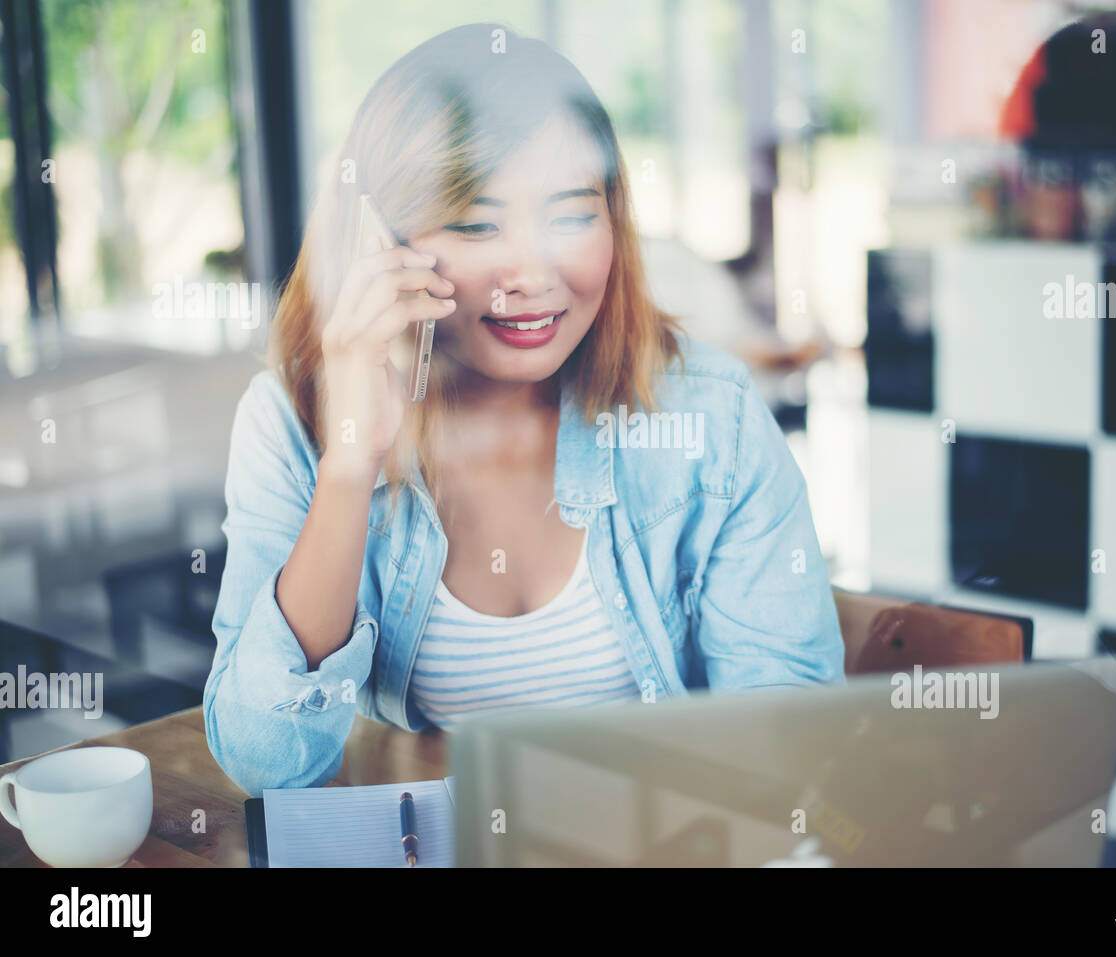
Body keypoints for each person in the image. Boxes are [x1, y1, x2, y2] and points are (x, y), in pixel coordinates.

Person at [203, 23, 843, 797]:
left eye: (571, 216)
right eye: (477, 224)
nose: (533, 274)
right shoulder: (287, 421)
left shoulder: (712, 414)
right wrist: (348, 464)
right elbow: (266, 759)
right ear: (376, 239)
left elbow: (787, 741)